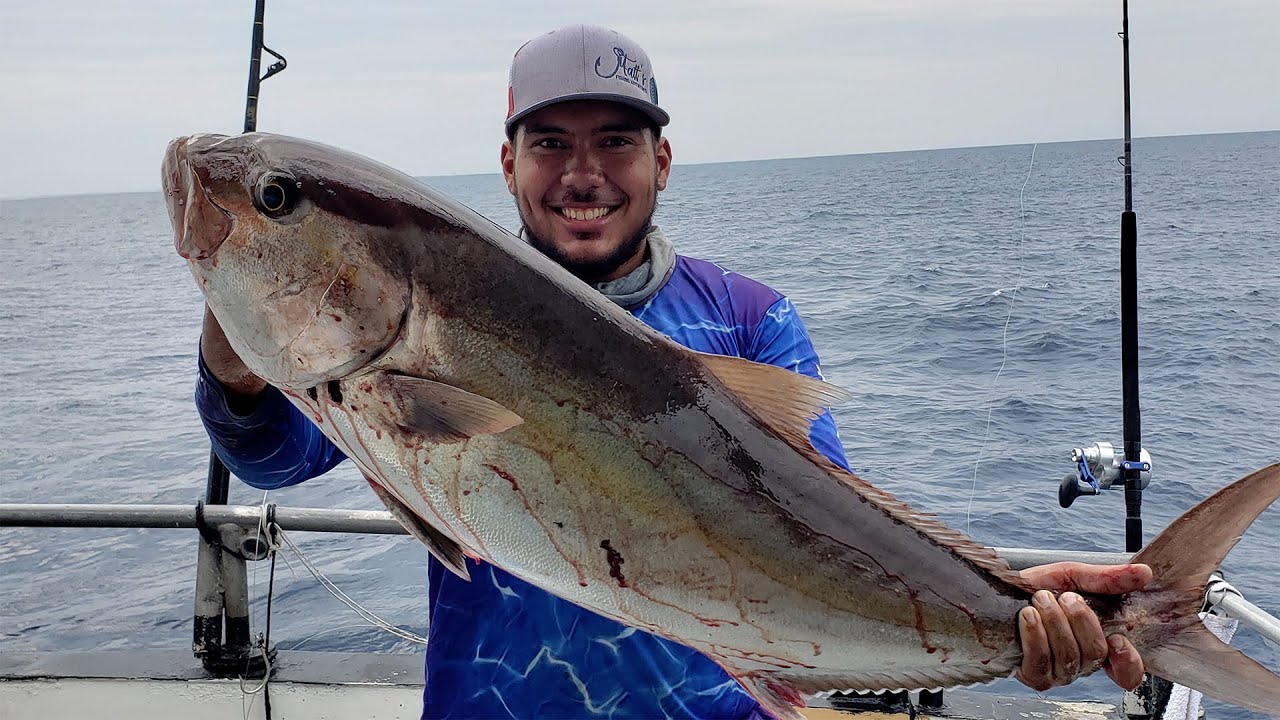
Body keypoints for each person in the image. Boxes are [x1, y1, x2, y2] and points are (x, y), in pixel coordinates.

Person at [194, 23, 1151, 720]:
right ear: (509, 162)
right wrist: (237, 358)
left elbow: (829, 524)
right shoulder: (392, 347)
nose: (584, 172)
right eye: (551, 143)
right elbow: (277, 465)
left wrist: (1008, 608)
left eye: (614, 140)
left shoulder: (748, 318)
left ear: (662, 158)